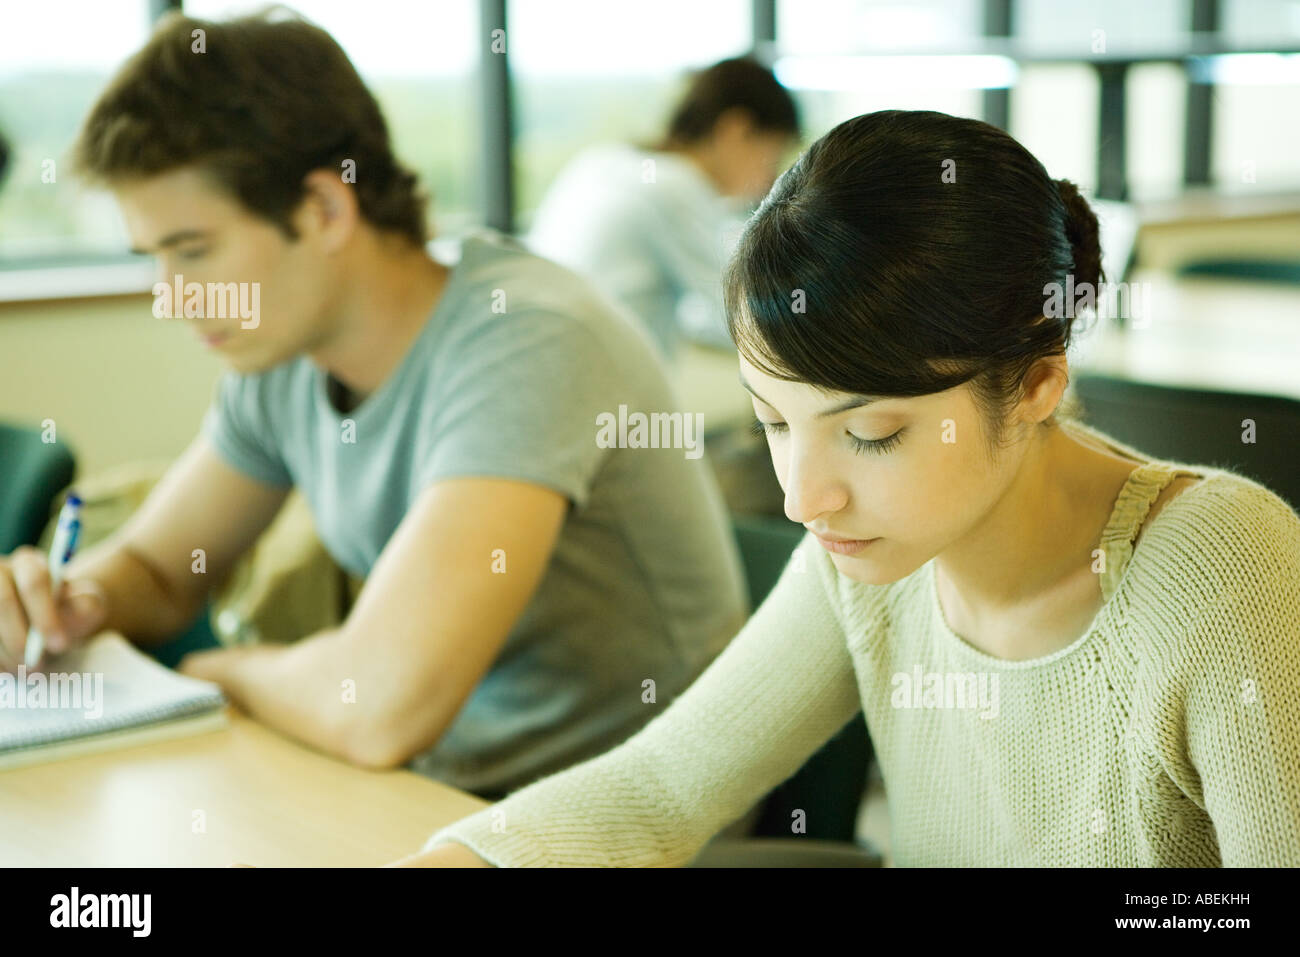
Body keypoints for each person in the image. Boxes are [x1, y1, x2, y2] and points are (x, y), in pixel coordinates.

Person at [396, 110, 1300, 866]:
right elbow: (662, 784)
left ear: (1034, 385)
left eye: (871, 435)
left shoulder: (1224, 569)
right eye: (775, 424)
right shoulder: (874, 555)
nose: (802, 498)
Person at [0, 10, 748, 802]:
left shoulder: (526, 341)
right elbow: (161, 568)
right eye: (154, 259)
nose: (171, 297)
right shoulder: (282, 357)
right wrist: (67, 601)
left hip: (629, 821)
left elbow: (380, 704)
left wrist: (220, 671)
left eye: (192, 252)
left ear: (325, 208)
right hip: (437, 799)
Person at [526, 56, 800, 362]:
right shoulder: (674, 185)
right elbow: (742, 316)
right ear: (737, 130)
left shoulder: (601, 160)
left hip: (548, 361)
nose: (769, 179)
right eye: (772, 155)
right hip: (596, 380)